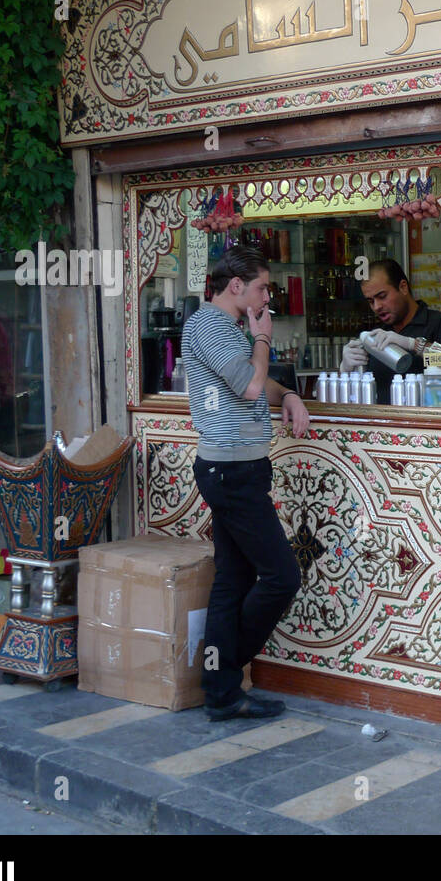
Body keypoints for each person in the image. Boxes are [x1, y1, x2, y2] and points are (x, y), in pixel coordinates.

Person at [182, 245, 310, 722]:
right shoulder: (209, 326)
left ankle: (221, 693)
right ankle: (228, 667)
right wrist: (262, 337)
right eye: (261, 288)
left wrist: (292, 394)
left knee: (232, 581)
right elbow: (250, 386)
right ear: (236, 286)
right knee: (281, 576)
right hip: (230, 471)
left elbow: (262, 383)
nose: (266, 298)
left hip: (240, 468)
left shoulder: (226, 328)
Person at [341, 259, 441, 403]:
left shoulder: (440, 324)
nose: (376, 307)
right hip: (382, 422)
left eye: (382, 296)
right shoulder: (374, 335)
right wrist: (345, 370)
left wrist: (412, 344)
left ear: (403, 287)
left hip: (426, 422)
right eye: (371, 301)